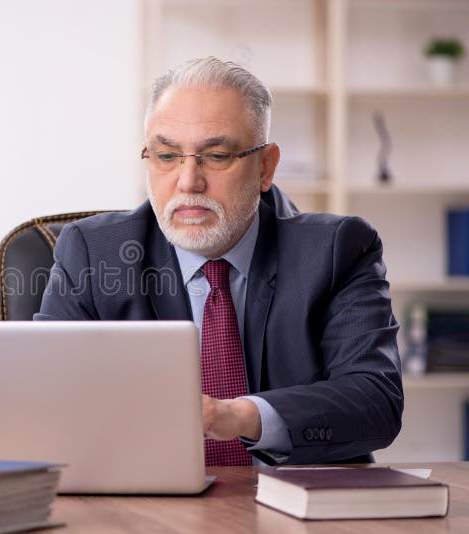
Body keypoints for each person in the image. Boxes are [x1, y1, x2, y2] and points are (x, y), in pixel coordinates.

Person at [34, 57, 403, 466]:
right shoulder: (92, 252)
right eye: (167, 156)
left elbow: (375, 400)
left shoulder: (338, 250)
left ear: (266, 167)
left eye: (216, 156)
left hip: (295, 512)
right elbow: (46, 398)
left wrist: (236, 416)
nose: (189, 181)